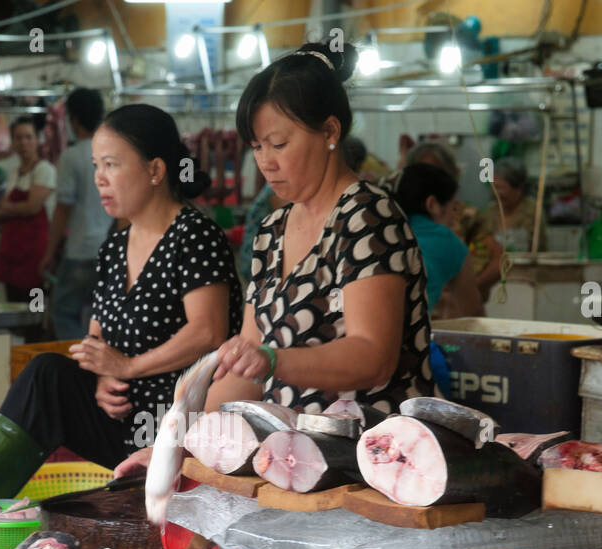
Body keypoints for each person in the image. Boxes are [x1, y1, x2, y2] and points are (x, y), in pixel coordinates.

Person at [115, 41, 433, 478]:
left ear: (330, 132)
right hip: (287, 459)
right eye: (257, 146)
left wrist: (275, 360)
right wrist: (178, 443)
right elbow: (242, 368)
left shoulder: (366, 215)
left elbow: (372, 355)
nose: (265, 161)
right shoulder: (271, 231)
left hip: (373, 459)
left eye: (278, 143)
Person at [0, 104, 242, 501]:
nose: (99, 179)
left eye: (111, 165)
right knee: (47, 373)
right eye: (96, 165)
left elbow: (208, 331)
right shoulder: (114, 247)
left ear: (155, 171)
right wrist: (103, 378)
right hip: (122, 417)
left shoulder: (195, 236)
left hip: (180, 429)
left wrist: (129, 366)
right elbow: (96, 342)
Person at [42, 88, 113, 340]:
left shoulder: (72, 157)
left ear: (73, 120)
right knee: (99, 315)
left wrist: (49, 253)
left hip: (80, 250)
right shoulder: (111, 153)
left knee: (63, 312)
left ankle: (77, 367)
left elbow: (63, 208)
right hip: (109, 249)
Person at [391, 141, 503, 298]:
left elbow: (499, 260)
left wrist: (467, 288)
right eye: (421, 173)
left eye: (436, 172)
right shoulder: (392, 215)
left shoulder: (468, 216)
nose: (429, 181)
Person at [393, 163, 485, 318]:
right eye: (453, 208)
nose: (453, 219)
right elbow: (472, 312)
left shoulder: (382, 230)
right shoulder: (446, 241)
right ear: (432, 205)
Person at [0, 116, 56, 302]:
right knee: (14, 303)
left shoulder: (44, 170)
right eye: (18, 138)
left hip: (34, 256)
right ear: (12, 142)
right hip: (12, 253)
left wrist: (7, 208)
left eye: (28, 137)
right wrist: (11, 208)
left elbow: (32, 207)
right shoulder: (14, 173)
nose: (24, 143)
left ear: (37, 140)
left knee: (34, 306)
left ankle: (35, 331)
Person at [480, 156, 544, 255]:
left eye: (500, 188)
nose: (495, 193)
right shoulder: (490, 212)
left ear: (519, 189)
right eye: (493, 187)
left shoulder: (533, 212)